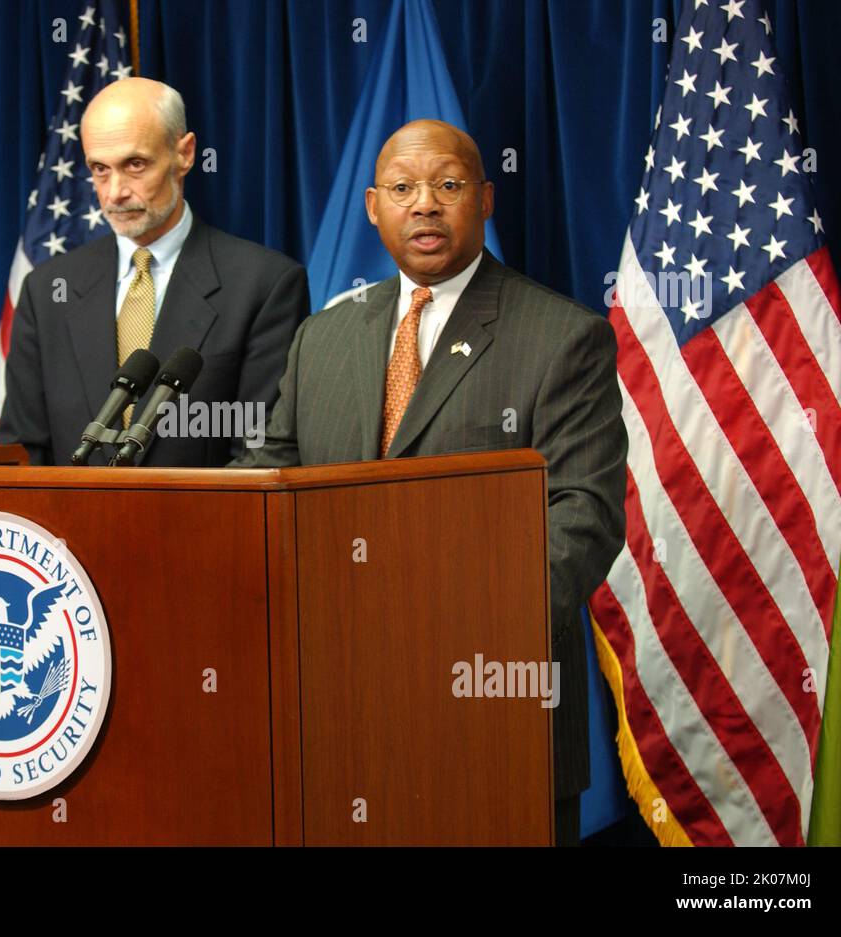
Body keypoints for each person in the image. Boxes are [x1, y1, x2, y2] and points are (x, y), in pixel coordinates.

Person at [232, 119, 628, 846]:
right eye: (403, 188)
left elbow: (585, 517)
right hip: (334, 718)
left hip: (489, 713)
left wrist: (443, 634)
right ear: (371, 206)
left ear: (484, 199)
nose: (424, 204)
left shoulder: (561, 338)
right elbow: (270, 472)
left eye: (446, 185)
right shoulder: (324, 336)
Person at [0, 78, 310, 466]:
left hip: (204, 524)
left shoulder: (264, 285)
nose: (114, 193)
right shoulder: (46, 291)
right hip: (66, 527)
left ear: (185, 153)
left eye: (135, 165)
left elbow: (261, 453)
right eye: (100, 169)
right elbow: (23, 454)